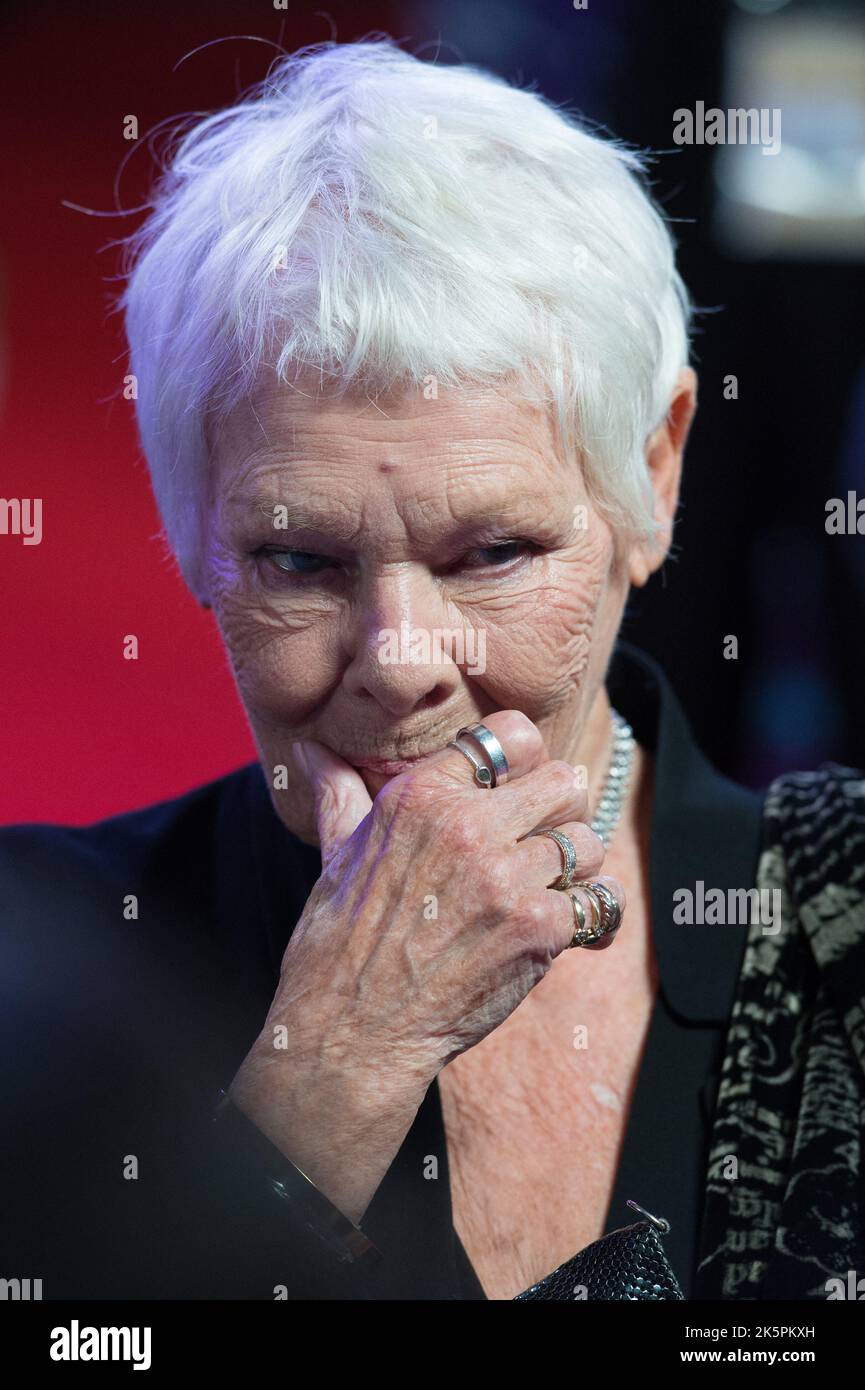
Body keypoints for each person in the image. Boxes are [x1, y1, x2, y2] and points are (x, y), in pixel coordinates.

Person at [2, 38, 864, 1303]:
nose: (400, 664)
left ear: (655, 477)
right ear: (186, 530)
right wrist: (330, 1071)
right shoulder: (57, 969)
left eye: (493, 552)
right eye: (298, 559)